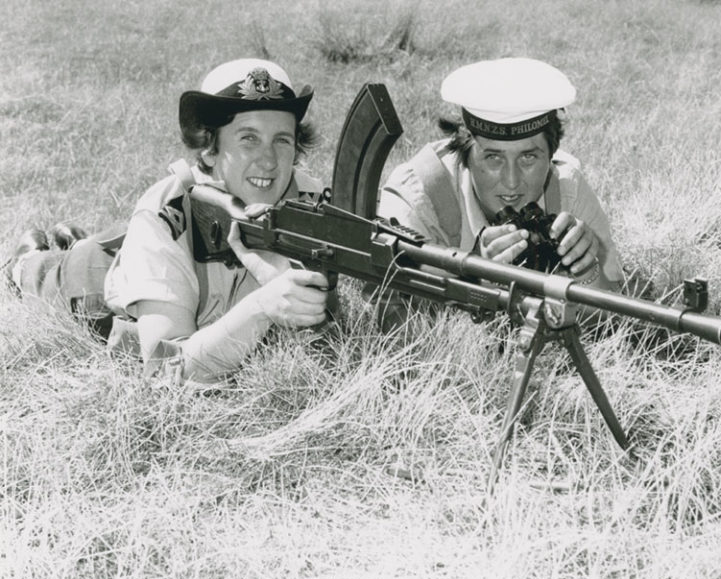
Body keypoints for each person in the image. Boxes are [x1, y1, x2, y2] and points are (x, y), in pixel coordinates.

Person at [6, 58, 331, 384]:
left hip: (157, 261)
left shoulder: (310, 198)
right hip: (100, 287)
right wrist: (262, 307)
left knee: (116, 244)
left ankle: (76, 240)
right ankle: (29, 262)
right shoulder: (164, 215)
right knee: (54, 277)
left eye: (282, 140)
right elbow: (163, 369)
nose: (269, 160)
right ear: (209, 148)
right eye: (248, 138)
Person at [378, 57, 623, 294]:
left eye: (528, 157)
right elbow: (392, 315)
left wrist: (586, 272)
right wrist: (473, 274)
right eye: (493, 158)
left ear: (551, 154)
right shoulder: (417, 197)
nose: (512, 181)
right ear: (465, 154)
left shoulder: (567, 189)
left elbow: (616, 312)